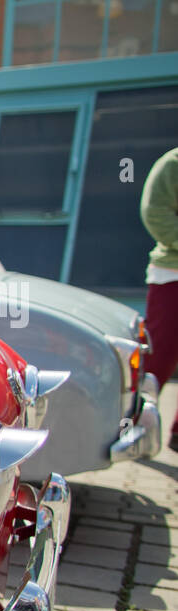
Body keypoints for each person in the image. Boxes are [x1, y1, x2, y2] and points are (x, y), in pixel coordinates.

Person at [140, 147, 178, 453]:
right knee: (160, 353)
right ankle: (133, 419)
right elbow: (155, 212)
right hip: (172, 274)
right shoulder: (172, 164)